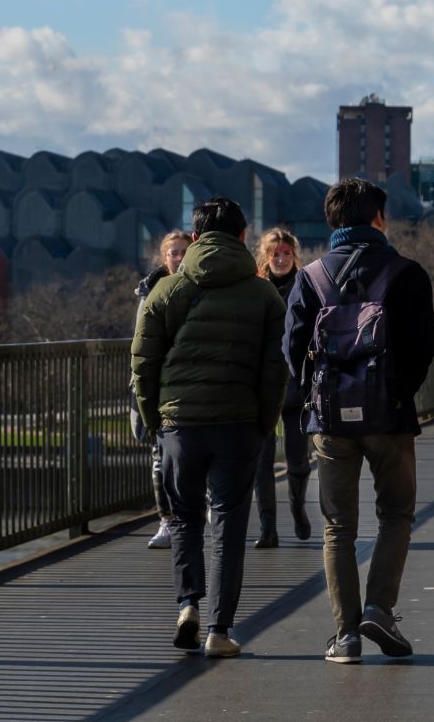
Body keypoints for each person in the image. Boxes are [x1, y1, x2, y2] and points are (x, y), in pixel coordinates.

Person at [283, 178, 434, 664]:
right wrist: (397, 393)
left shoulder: (310, 277)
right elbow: (422, 346)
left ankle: (345, 636)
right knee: (396, 514)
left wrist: (319, 394)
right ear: (378, 219)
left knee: (338, 526)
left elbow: (292, 348)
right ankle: (379, 608)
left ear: (332, 221)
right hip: (390, 416)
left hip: (330, 421)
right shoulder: (406, 272)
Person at [132, 198, 286, 659]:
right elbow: (274, 369)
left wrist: (155, 417)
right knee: (229, 524)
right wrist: (265, 422)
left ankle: (187, 604)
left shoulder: (167, 292)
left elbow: (143, 363)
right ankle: (219, 630)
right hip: (238, 424)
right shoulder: (264, 296)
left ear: (195, 239)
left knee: (183, 518)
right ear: (243, 238)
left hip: (180, 424)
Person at [252, 227, 310, 548]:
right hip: (263, 385)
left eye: (287, 253)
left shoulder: (305, 284)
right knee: (262, 459)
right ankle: (267, 526)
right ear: (265, 255)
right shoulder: (255, 288)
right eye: (275, 253)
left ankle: (298, 506)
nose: (281, 258)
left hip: (296, 384)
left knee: (298, 458)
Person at [134, 230, 192, 550]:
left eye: (185, 251)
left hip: (191, 382)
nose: (179, 258)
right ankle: (166, 520)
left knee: (191, 454)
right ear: (164, 256)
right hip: (159, 384)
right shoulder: (149, 291)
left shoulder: (200, 286)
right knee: (160, 457)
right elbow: (139, 342)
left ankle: (193, 511)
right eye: (174, 252)